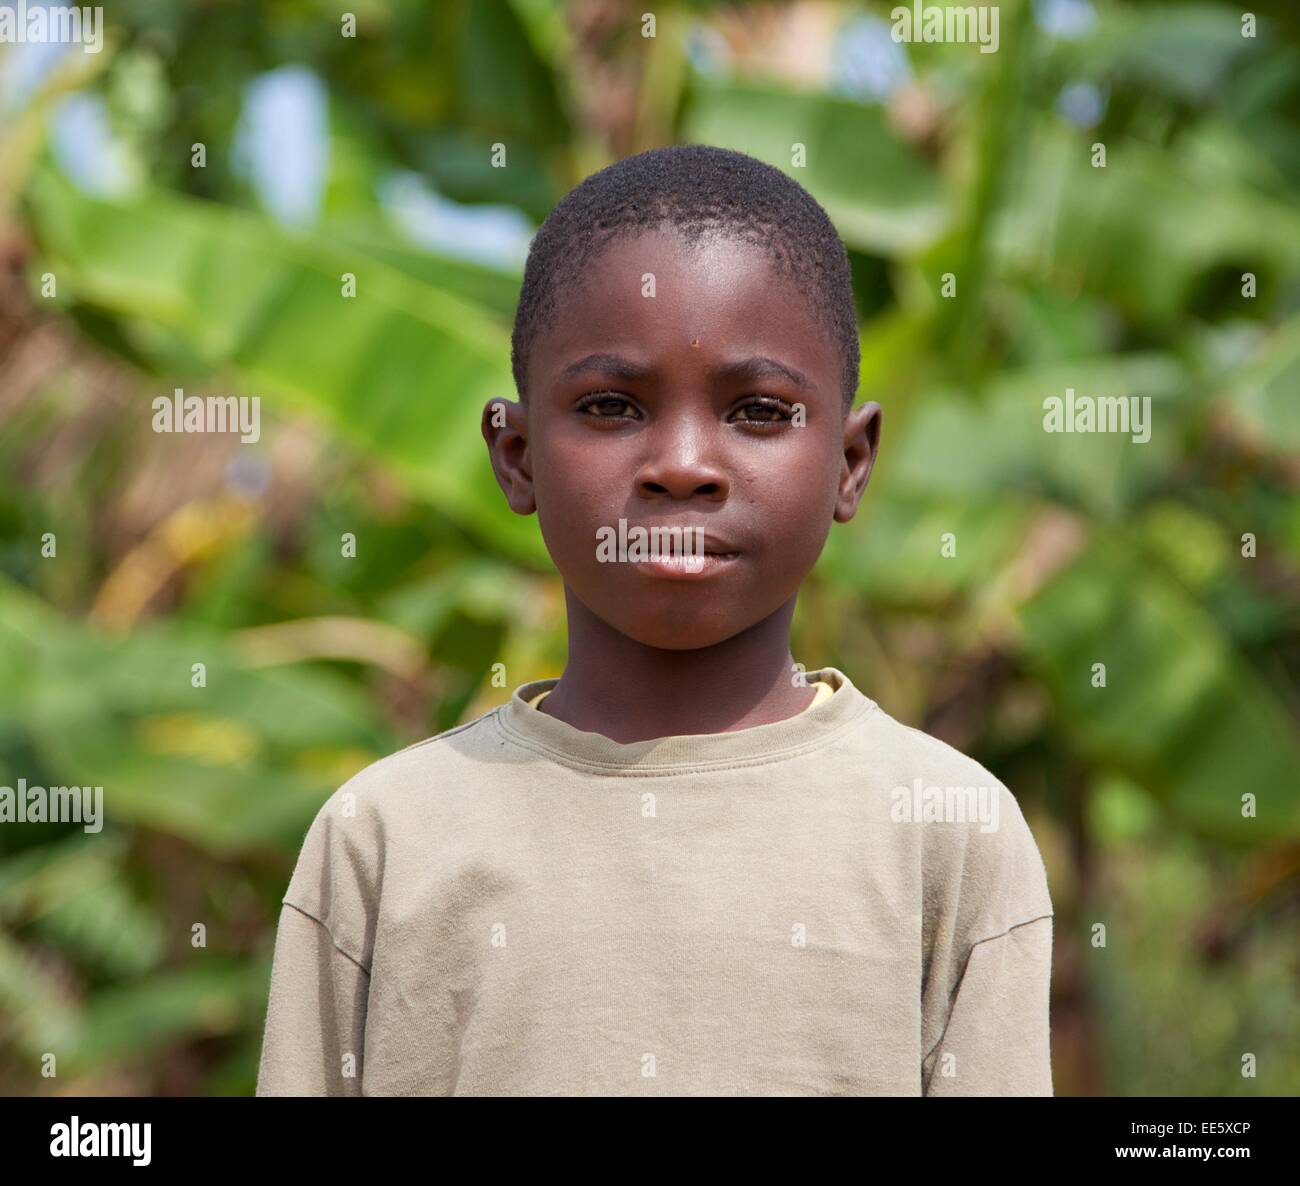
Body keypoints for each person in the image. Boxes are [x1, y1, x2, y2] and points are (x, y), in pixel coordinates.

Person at [256, 144, 1054, 1096]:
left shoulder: (949, 831)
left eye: (758, 411)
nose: (682, 463)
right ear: (515, 456)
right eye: (610, 406)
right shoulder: (385, 836)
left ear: (849, 462)